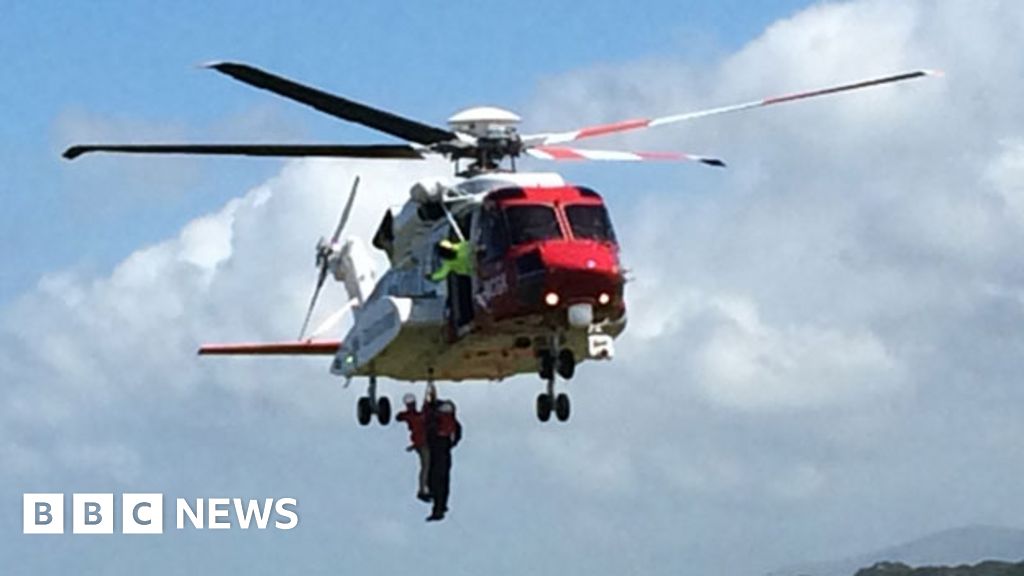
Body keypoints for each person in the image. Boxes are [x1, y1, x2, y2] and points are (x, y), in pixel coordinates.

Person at [425, 399, 462, 522]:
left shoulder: (435, 419)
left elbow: (428, 431)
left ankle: (437, 504)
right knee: (443, 480)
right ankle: (440, 505)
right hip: (445, 451)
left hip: (437, 451)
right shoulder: (451, 421)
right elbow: (457, 434)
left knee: (435, 477)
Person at [396, 393, 430, 502]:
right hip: (421, 443)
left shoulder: (414, 415)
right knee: (426, 466)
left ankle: (425, 488)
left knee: (426, 466)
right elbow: (400, 417)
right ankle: (423, 489)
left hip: (421, 442)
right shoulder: (414, 416)